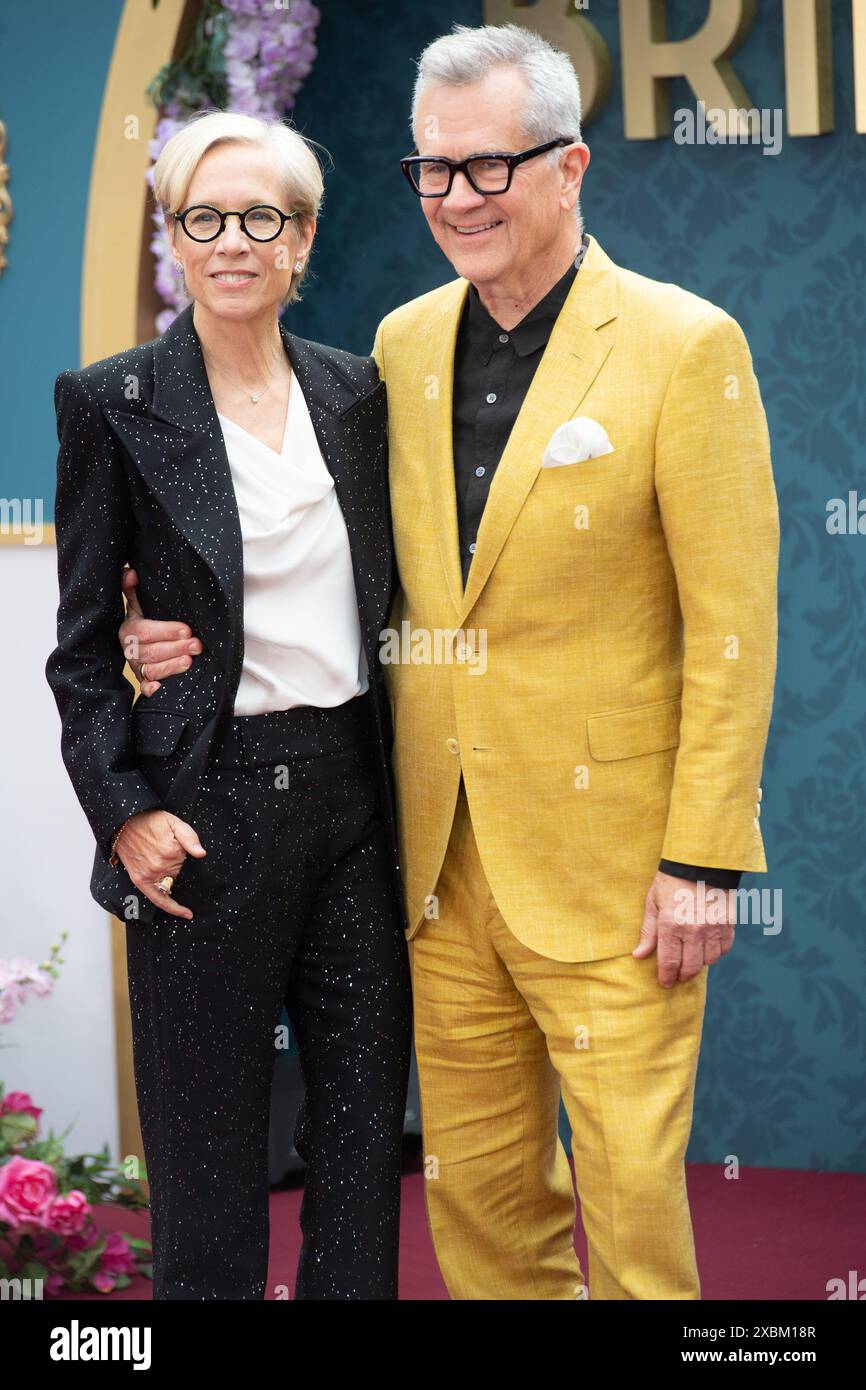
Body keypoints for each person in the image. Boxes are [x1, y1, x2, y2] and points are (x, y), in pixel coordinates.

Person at [118, 23, 779, 1300]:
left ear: (570, 165)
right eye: (432, 169)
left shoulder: (683, 343)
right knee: (478, 1207)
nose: (457, 198)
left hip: (615, 872)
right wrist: (172, 631)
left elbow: (731, 626)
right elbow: (340, 567)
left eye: (489, 166)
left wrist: (701, 859)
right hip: (431, 863)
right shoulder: (399, 347)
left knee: (631, 1213)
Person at [45, 110, 411, 1301]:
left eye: (260, 217)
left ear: (302, 239)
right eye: (203, 218)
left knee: (361, 1137)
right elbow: (82, 651)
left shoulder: (358, 392)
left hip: (356, 803)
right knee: (205, 1155)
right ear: (174, 239)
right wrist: (124, 811)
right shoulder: (111, 399)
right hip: (205, 811)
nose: (232, 241)